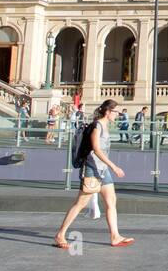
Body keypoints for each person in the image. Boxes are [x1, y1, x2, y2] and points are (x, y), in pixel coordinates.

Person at [53, 100, 133, 249]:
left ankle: (115, 236)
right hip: (91, 168)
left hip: (102, 170)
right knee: (80, 203)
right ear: (108, 112)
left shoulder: (105, 126)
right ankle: (60, 234)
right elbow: (96, 149)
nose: (118, 115)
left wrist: (108, 167)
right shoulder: (97, 126)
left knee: (111, 201)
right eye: (116, 112)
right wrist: (114, 166)